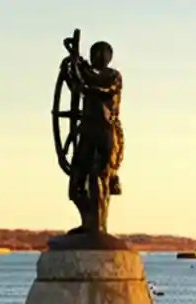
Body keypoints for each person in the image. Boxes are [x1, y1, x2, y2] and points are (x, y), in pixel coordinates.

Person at [65, 40, 124, 236]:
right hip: (87, 130)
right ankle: (88, 222)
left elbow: (93, 87)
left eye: (101, 53)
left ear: (109, 57)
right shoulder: (87, 75)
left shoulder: (113, 77)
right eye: (94, 53)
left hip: (105, 131)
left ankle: (100, 227)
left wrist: (79, 68)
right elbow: (76, 84)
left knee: (101, 179)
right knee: (76, 182)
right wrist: (73, 63)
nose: (97, 57)